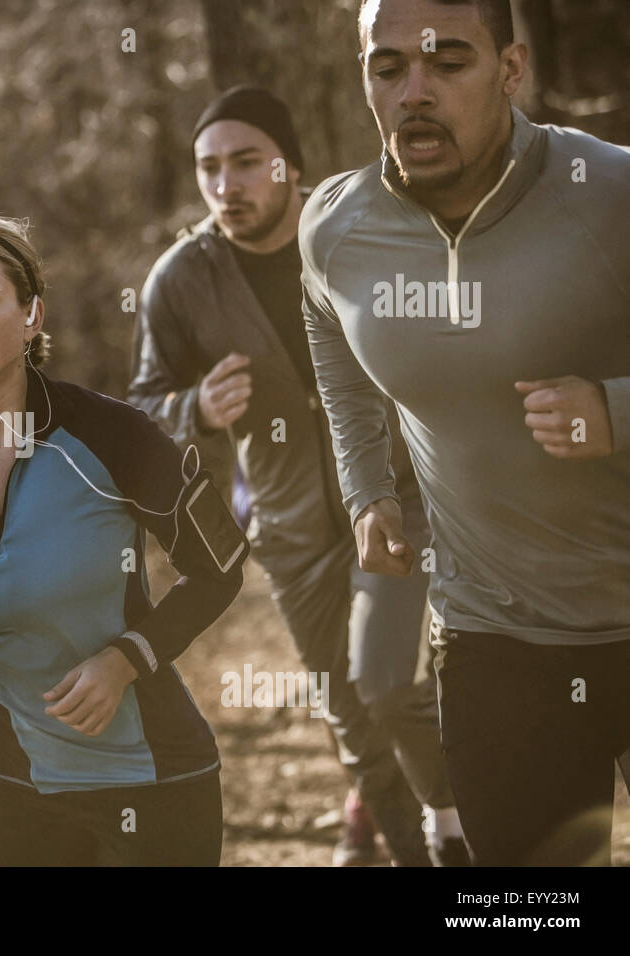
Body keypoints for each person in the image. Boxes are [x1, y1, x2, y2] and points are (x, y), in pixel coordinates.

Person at [301, 0, 630, 865]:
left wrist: (616, 412)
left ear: (512, 71)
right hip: (491, 636)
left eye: (448, 63)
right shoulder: (337, 229)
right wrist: (366, 483)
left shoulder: (610, 193)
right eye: (389, 67)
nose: (415, 91)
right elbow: (328, 333)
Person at [129, 86, 465, 866]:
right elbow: (142, 405)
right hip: (287, 530)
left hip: (397, 498)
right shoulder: (180, 280)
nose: (226, 186)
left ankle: (454, 828)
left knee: (393, 683)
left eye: (247, 163)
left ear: (290, 166)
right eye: (210, 168)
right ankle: (414, 848)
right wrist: (194, 410)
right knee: (353, 723)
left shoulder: (364, 227)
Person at [0, 208, 246, 866]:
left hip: (153, 776)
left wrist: (126, 658)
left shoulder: (112, 437)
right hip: (13, 783)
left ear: (33, 315)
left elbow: (222, 566)